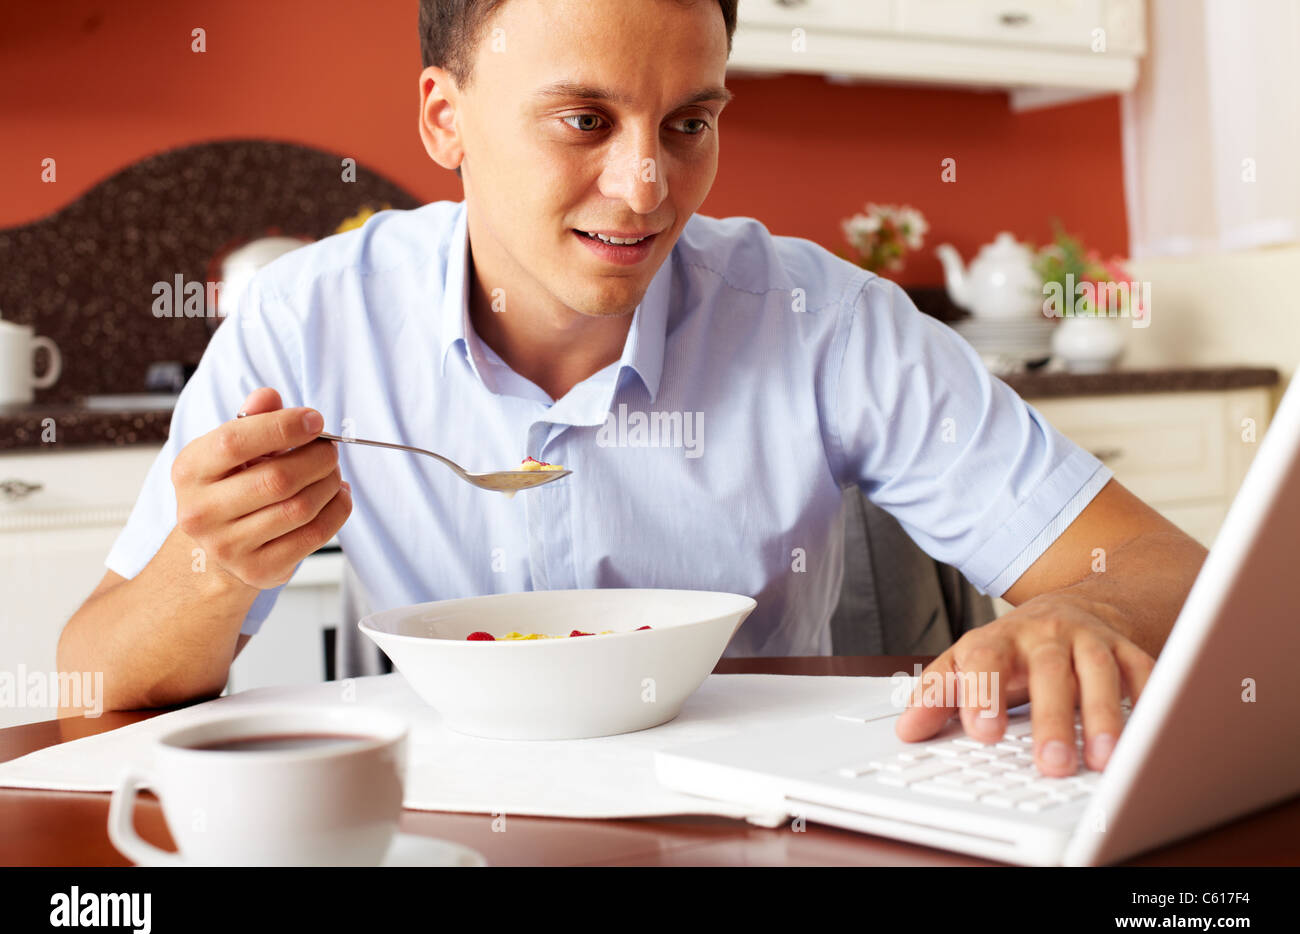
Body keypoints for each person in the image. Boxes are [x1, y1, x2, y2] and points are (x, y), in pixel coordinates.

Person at [59, 0, 1208, 779]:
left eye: (689, 122)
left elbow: (1168, 574)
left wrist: (1083, 613)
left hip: (764, 818)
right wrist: (206, 565)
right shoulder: (310, 319)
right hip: (443, 819)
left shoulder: (823, 317)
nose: (647, 184)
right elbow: (90, 681)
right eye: (584, 120)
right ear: (442, 118)